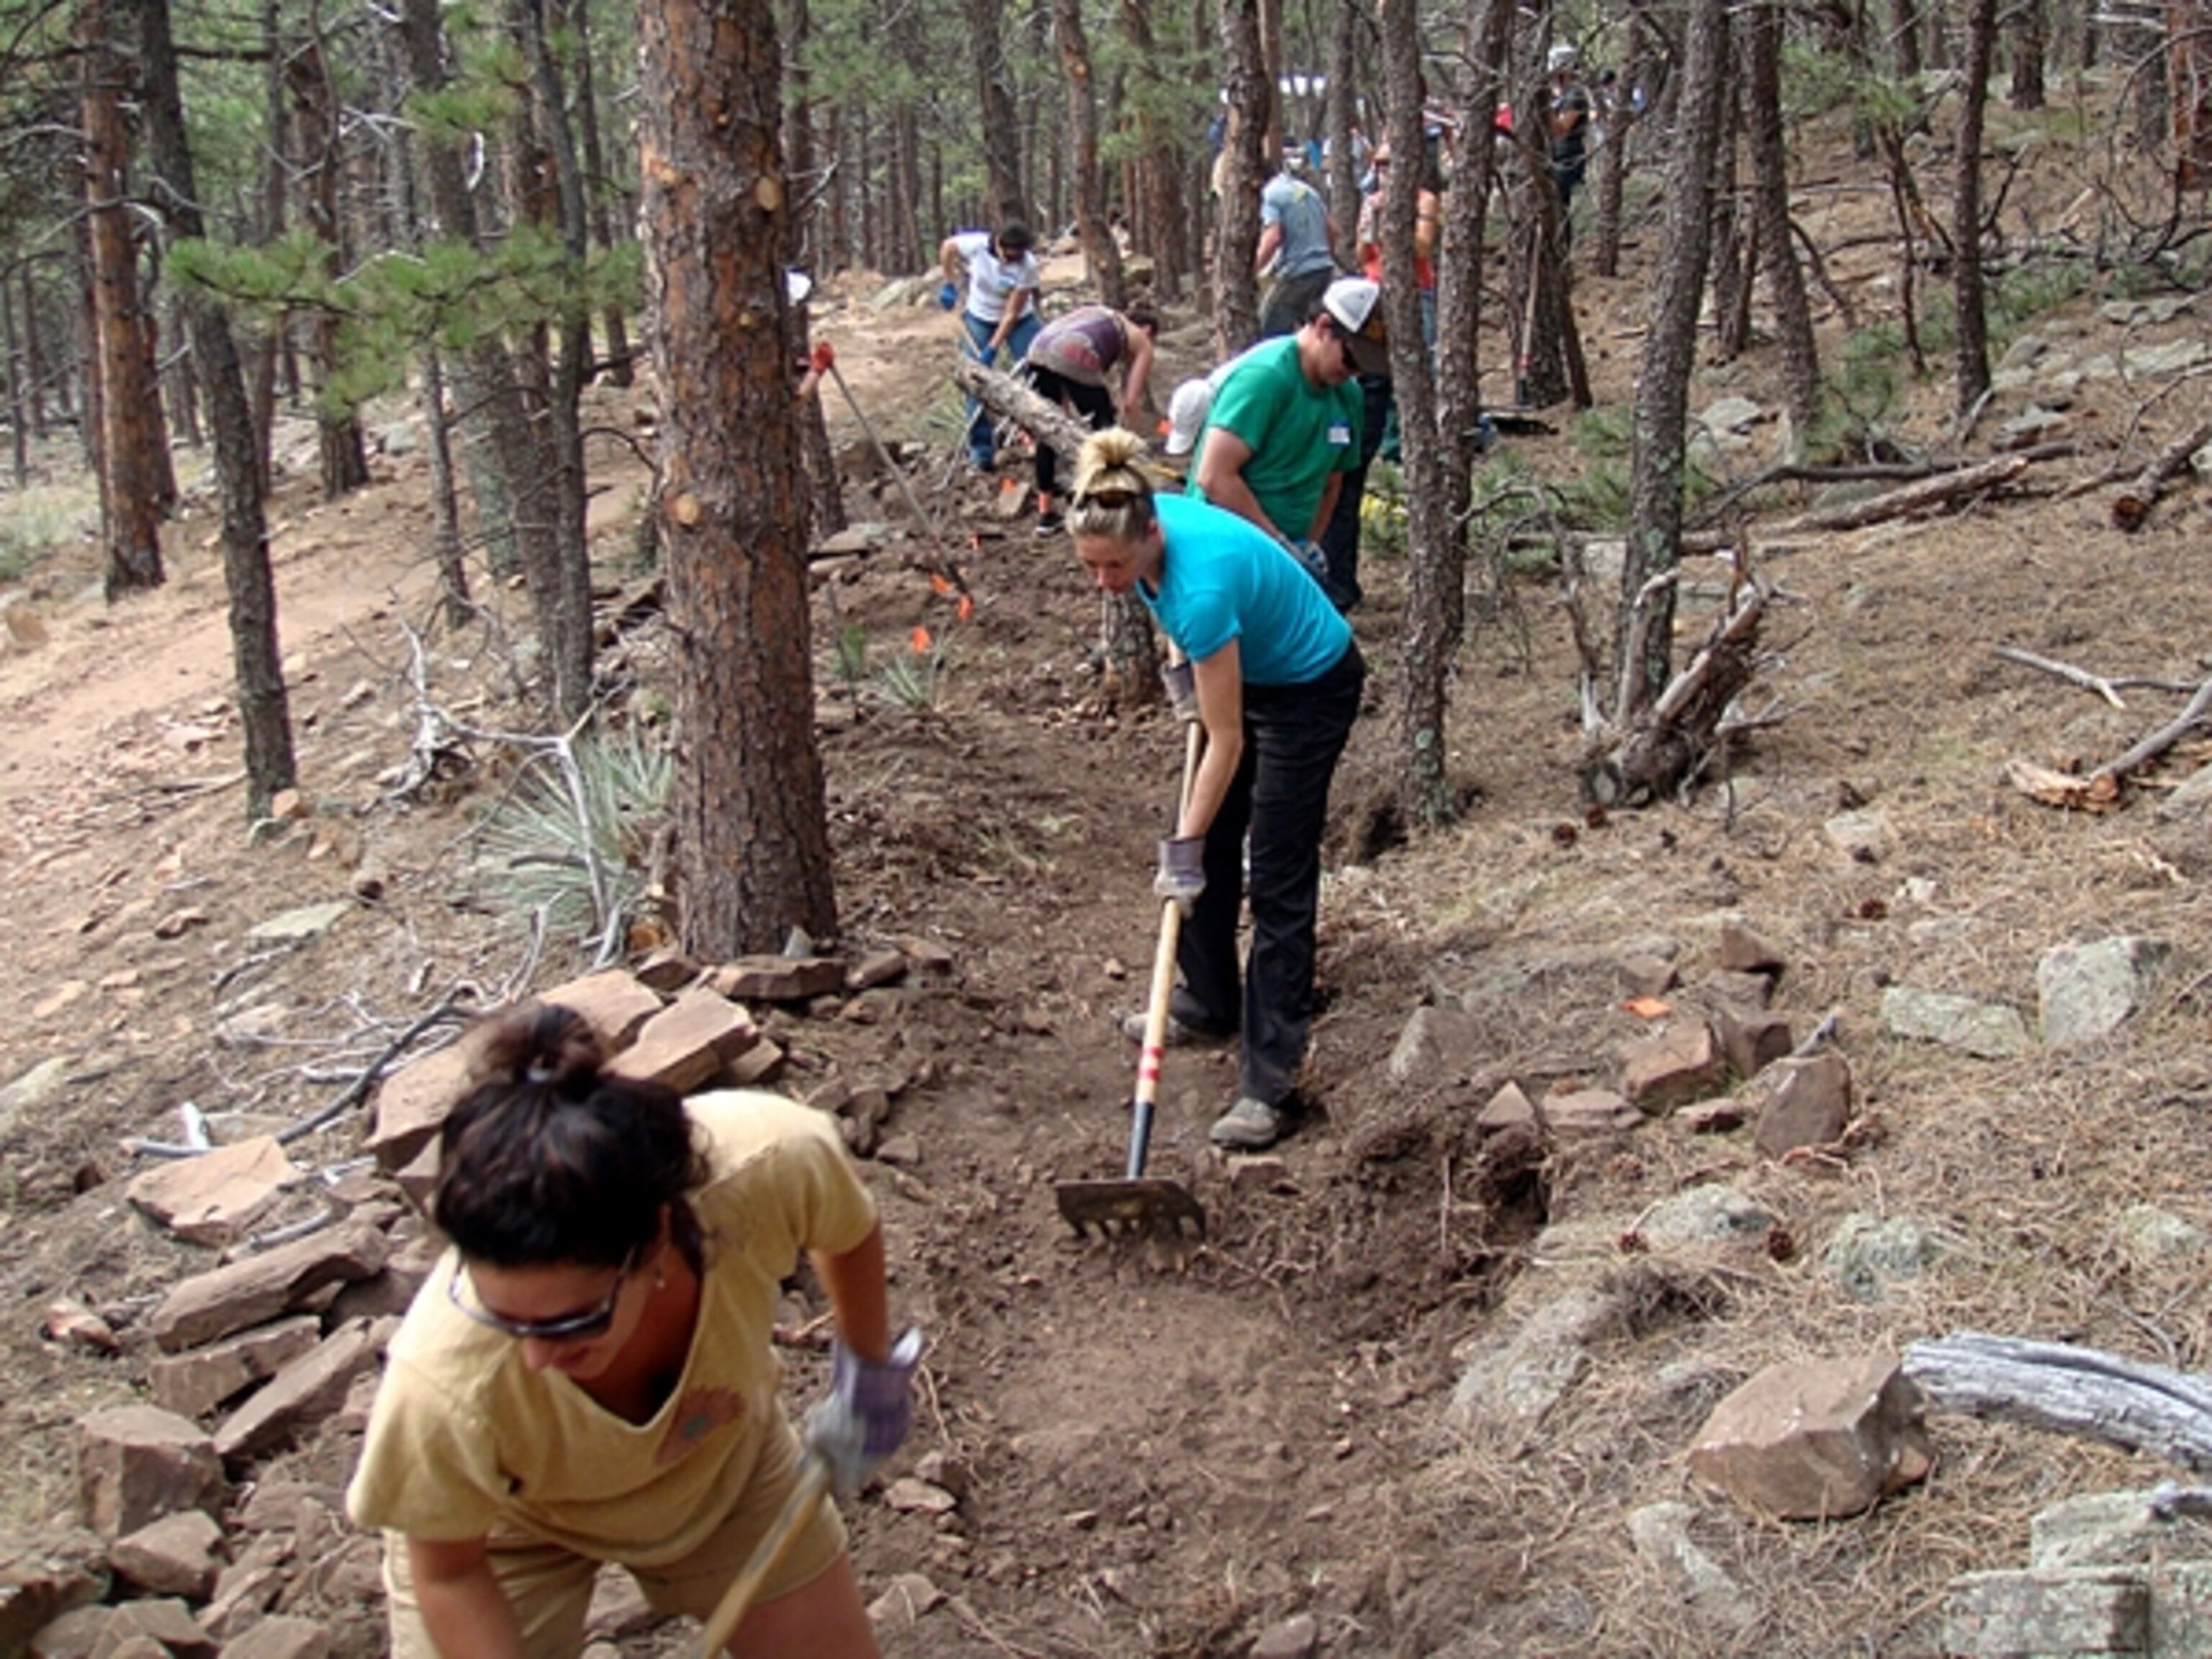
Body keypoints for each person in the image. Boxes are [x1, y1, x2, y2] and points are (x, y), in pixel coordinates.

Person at [346, 1003, 920, 1659]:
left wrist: (866, 1372)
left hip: (718, 1462)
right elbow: (448, 1571)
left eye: (573, 1320)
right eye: (504, 1320)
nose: (535, 1357)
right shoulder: (443, 1383)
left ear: (652, 1241)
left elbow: (848, 1230)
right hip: (509, 1526)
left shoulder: (765, 1164)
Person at [1066, 429, 1364, 1152]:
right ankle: (1207, 1000)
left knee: (1276, 876)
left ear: (1151, 533)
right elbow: (1163, 607)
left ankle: (1270, 1081)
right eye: (1091, 567)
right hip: (1248, 666)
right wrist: (1183, 675)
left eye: (1114, 566)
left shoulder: (1199, 588)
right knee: (1208, 838)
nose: (1106, 581)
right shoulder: (1136, 521)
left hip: (1310, 686)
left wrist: (1185, 848)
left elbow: (1226, 739)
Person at [1187, 276, 1386, 602]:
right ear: (1323, 327)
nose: (1355, 373)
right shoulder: (1265, 378)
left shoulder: (1348, 396)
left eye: (1365, 367)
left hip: (1283, 556)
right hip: (1223, 550)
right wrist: (1277, 545)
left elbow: (1331, 482)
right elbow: (1214, 476)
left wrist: (1308, 545)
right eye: (1351, 360)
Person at [1021, 303, 1158, 536]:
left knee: (1047, 430)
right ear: (1147, 330)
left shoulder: (1101, 314)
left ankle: (1046, 513)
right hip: (1074, 353)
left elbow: (1061, 403)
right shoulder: (1142, 341)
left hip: (1037, 349)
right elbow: (1130, 403)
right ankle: (1112, 499)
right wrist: (1135, 445)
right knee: (1104, 432)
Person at [940, 221, 1043, 470]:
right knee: (976, 381)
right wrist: (948, 283)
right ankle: (981, 447)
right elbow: (947, 247)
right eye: (1008, 255)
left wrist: (993, 349)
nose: (1011, 261)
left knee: (1039, 370)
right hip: (979, 317)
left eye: (1017, 256)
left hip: (1019, 321)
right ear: (997, 244)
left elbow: (1011, 314)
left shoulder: (1028, 266)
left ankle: (1040, 438)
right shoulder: (977, 245)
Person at [1255, 149, 1341, 339]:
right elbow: (1332, 230)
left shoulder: (1269, 195)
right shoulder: (1306, 190)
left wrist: (1252, 268)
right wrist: (1326, 256)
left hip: (1297, 273)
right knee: (1312, 333)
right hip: (1324, 270)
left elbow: (1273, 236)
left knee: (1271, 328)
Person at [1547, 43, 1593, 234]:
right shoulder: (1560, 95)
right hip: (1555, 155)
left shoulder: (1576, 95)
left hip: (1568, 157)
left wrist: (1544, 108)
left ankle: (1562, 249)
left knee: (1559, 206)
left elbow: (1562, 129)